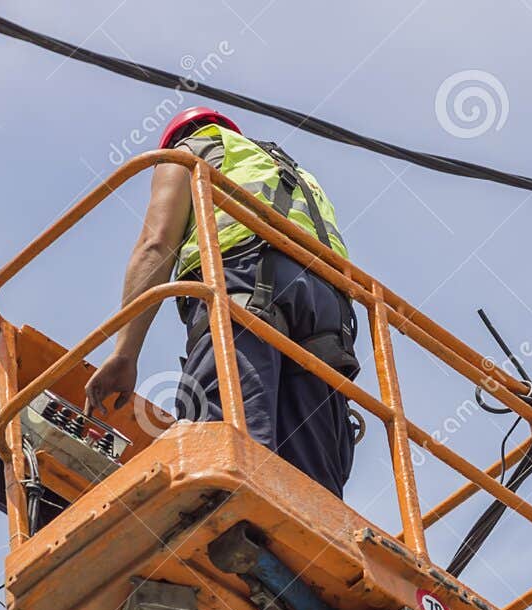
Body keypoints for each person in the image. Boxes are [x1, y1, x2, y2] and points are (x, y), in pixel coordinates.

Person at [83, 107, 360, 497]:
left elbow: (155, 245)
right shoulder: (295, 173)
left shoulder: (189, 151)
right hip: (329, 315)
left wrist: (125, 353)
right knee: (311, 487)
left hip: (247, 285)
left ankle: (225, 515)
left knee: (227, 444)